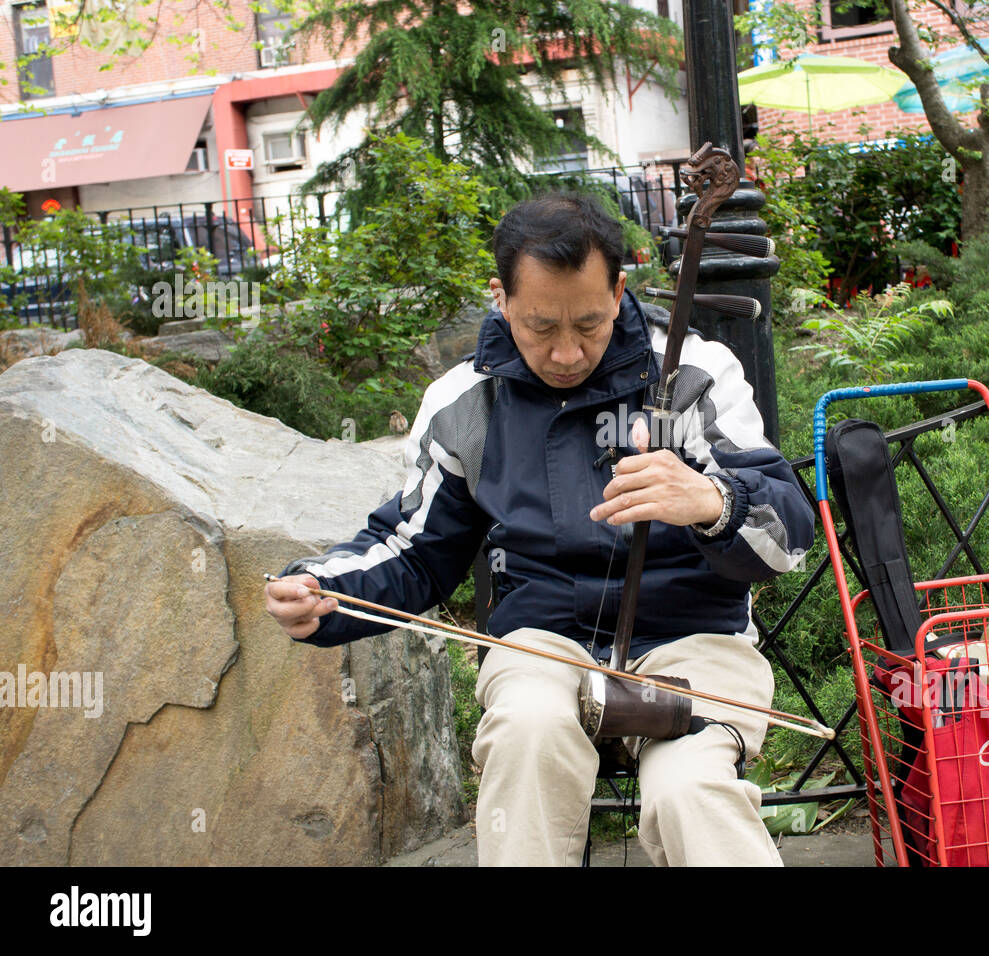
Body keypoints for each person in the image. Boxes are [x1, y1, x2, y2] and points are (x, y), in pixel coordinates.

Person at [265, 192, 815, 866]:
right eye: (538, 326)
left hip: (693, 639)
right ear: (500, 297)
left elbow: (787, 537)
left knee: (689, 791)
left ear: (618, 290)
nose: (564, 352)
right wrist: (321, 587)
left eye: (588, 324)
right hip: (543, 642)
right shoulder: (465, 401)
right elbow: (416, 551)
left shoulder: (693, 374)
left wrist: (711, 500)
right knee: (527, 735)